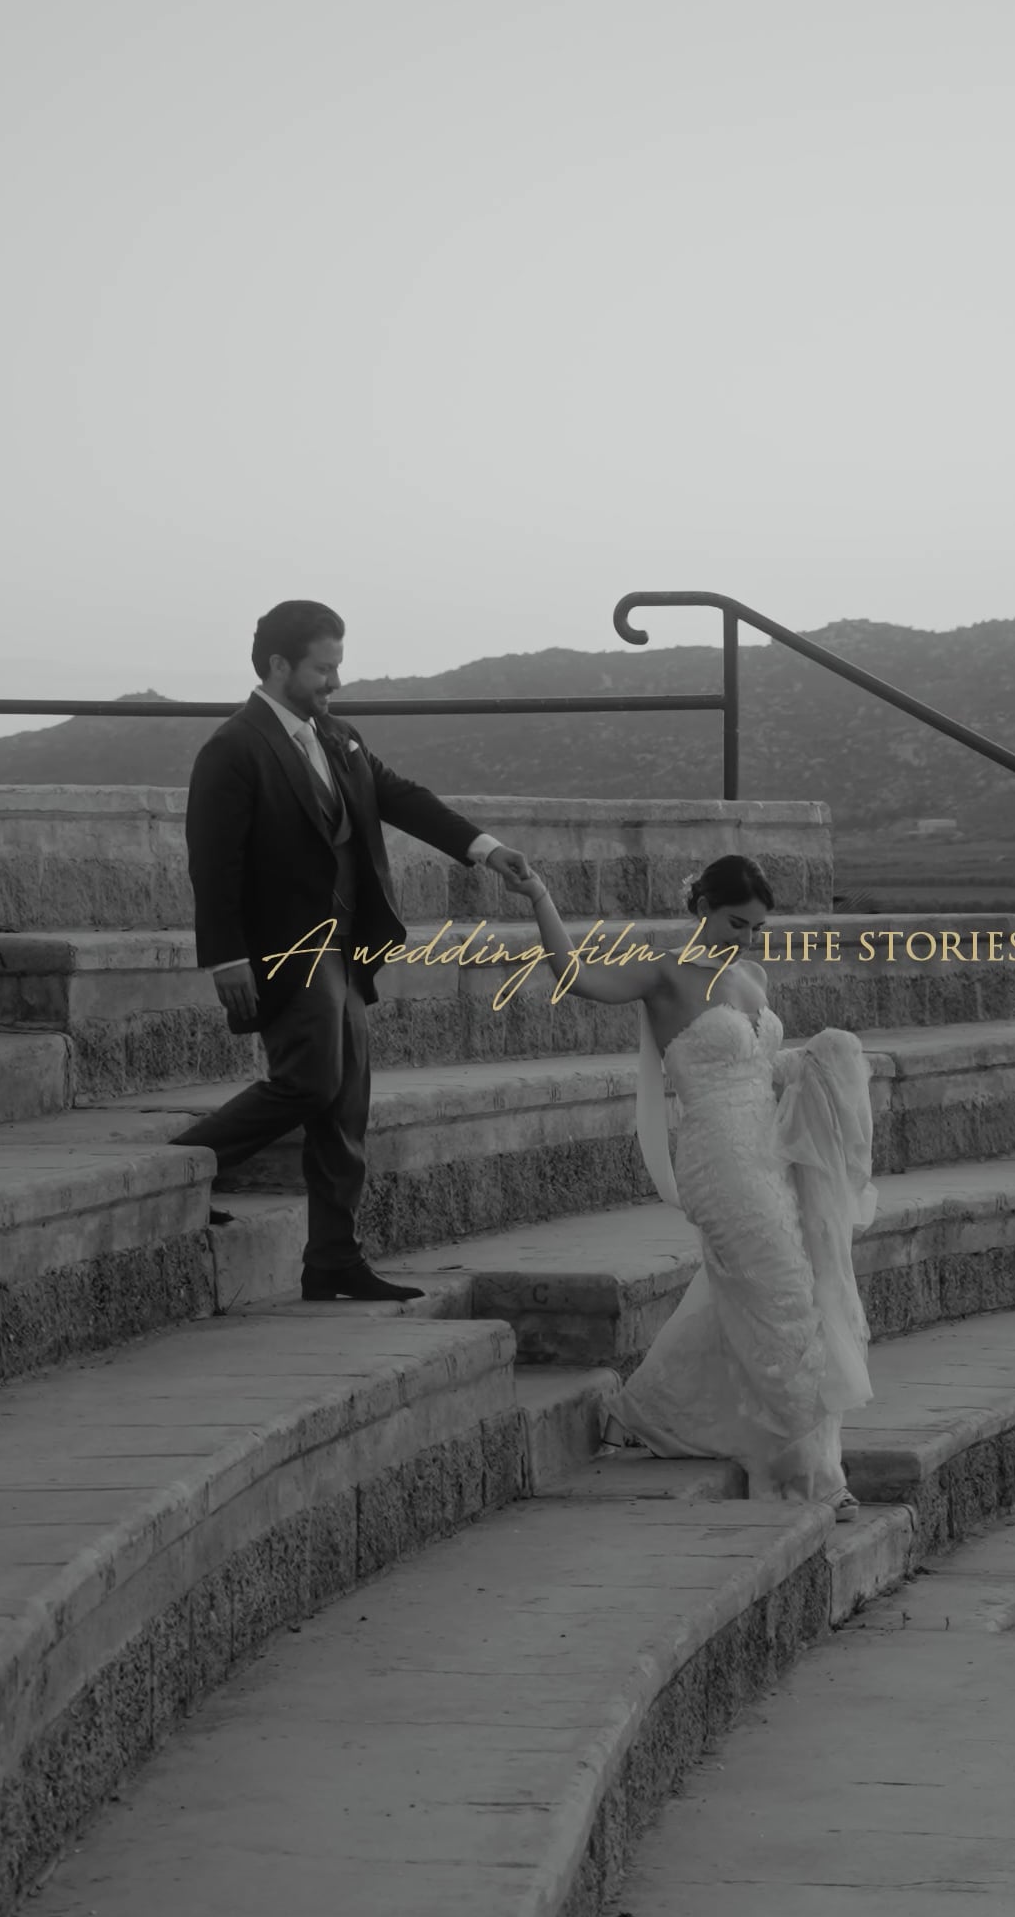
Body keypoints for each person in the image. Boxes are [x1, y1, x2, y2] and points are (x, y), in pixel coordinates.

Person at [177, 599, 531, 1301]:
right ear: (279, 665)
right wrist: (226, 958)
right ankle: (183, 1166)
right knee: (310, 1082)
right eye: (322, 667)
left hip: (343, 948)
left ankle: (334, 1259)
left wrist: (485, 850)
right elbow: (212, 863)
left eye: (337, 666)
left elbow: (401, 798)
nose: (334, 681)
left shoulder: (338, 736)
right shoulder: (233, 747)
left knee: (347, 1102)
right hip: (284, 950)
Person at [507, 851, 876, 1513]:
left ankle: (647, 1411)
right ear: (703, 906)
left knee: (766, 1294)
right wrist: (539, 897)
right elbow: (575, 977)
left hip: (770, 1153)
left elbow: (762, 1070)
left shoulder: (751, 978)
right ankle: (815, 1477)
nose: (747, 939)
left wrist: (817, 1064)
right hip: (719, 1159)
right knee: (788, 1300)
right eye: (737, 923)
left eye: (757, 928)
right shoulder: (664, 973)